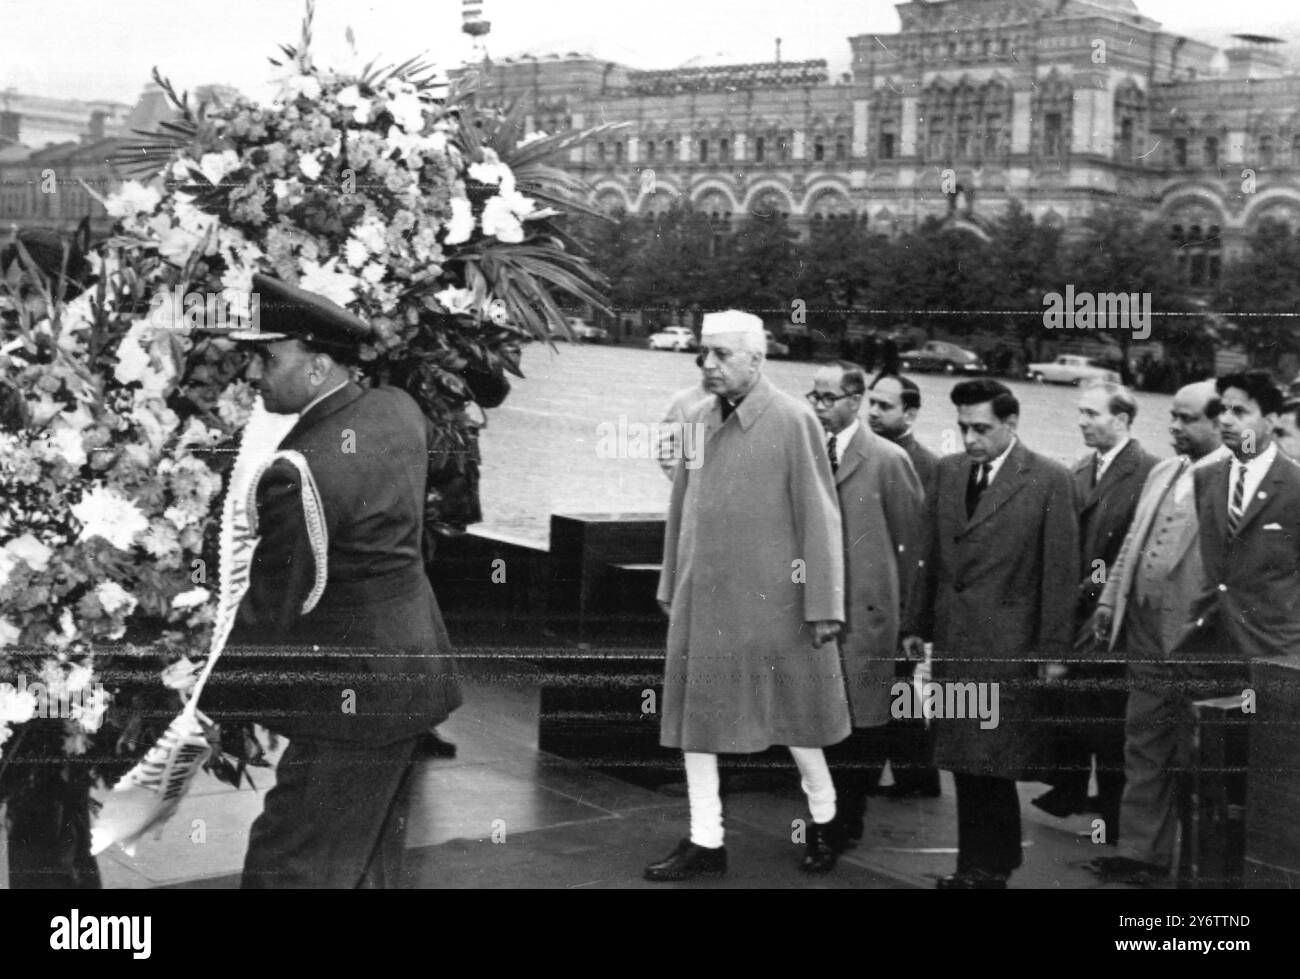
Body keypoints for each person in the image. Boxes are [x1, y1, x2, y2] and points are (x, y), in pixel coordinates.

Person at [226, 273, 461, 888]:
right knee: (368, 862)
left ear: (317, 366)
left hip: (351, 694)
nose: (253, 375)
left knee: (290, 865)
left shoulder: (298, 469)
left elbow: (275, 602)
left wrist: (207, 708)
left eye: (267, 357)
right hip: (413, 671)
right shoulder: (397, 409)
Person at [645, 310, 850, 881]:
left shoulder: (793, 419)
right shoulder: (693, 415)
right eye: (702, 355)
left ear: (756, 360)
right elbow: (681, 506)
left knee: (798, 721)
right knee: (697, 723)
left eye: (722, 355)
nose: (708, 365)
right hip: (703, 601)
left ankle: (827, 822)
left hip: (777, 606)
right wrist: (670, 580)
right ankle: (705, 840)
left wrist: (824, 605)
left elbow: (820, 515)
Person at [902, 379, 1079, 889]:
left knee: (992, 761)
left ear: (1011, 424)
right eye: (963, 428)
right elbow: (928, 554)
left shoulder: (1049, 480)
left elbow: (1061, 572)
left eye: (981, 428)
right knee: (963, 759)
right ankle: (974, 867)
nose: (970, 438)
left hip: (1008, 647)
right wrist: (916, 622)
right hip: (956, 643)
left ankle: (991, 868)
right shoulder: (948, 471)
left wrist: (1052, 650)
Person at [1086, 381, 1227, 885]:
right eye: (1172, 416)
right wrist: (1108, 601)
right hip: (1144, 631)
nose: (1174, 427)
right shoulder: (1165, 471)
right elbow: (1131, 543)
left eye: (1187, 419)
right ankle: (1140, 852)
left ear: (1219, 421)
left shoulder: (1234, 482)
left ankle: (1192, 862)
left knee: (1192, 754)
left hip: (1196, 643)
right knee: (1141, 742)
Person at [1033, 383, 1156, 837]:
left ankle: (1111, 805)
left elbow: (1128, 550)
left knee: (1105, 713)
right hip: (1076, 603)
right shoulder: (1081, 468)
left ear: (1121, 419)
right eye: (1080, 412)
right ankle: (1069, 787)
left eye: (1091, 413)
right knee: (1073, 702)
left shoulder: (1147, 472)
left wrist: (1086, 589)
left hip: (1108, 611)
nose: (1081, 420)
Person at [809, 362, 924, 848]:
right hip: (813, 618)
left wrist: (910, 623)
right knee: (814, 726)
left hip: (865, 622)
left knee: (859, 729)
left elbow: (913, 545)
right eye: (813, 395)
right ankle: (820, 821)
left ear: (855, 401)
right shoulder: (801, 452)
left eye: (828, 397)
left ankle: (841, 828)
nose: (817, 405)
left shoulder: (888, 459)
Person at [866, 371, 942, 797]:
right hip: (876, 594)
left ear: (910, 412)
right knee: (891, 687)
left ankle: (911, 776)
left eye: (885, 406)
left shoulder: (924, 465)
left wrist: (916, 612)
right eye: (871, 403)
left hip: (900, 596)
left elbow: (923, 543)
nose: (873, 412)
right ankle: (914, 776)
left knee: (894, 685)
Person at [1192, 371, 1300, 663]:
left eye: (1239, 412)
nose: (1225, 421)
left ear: (1272, 420)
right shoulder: (1205, 477)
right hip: (1211, 646)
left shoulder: (1295, 486)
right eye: (1222, 410)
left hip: (1274, 650)